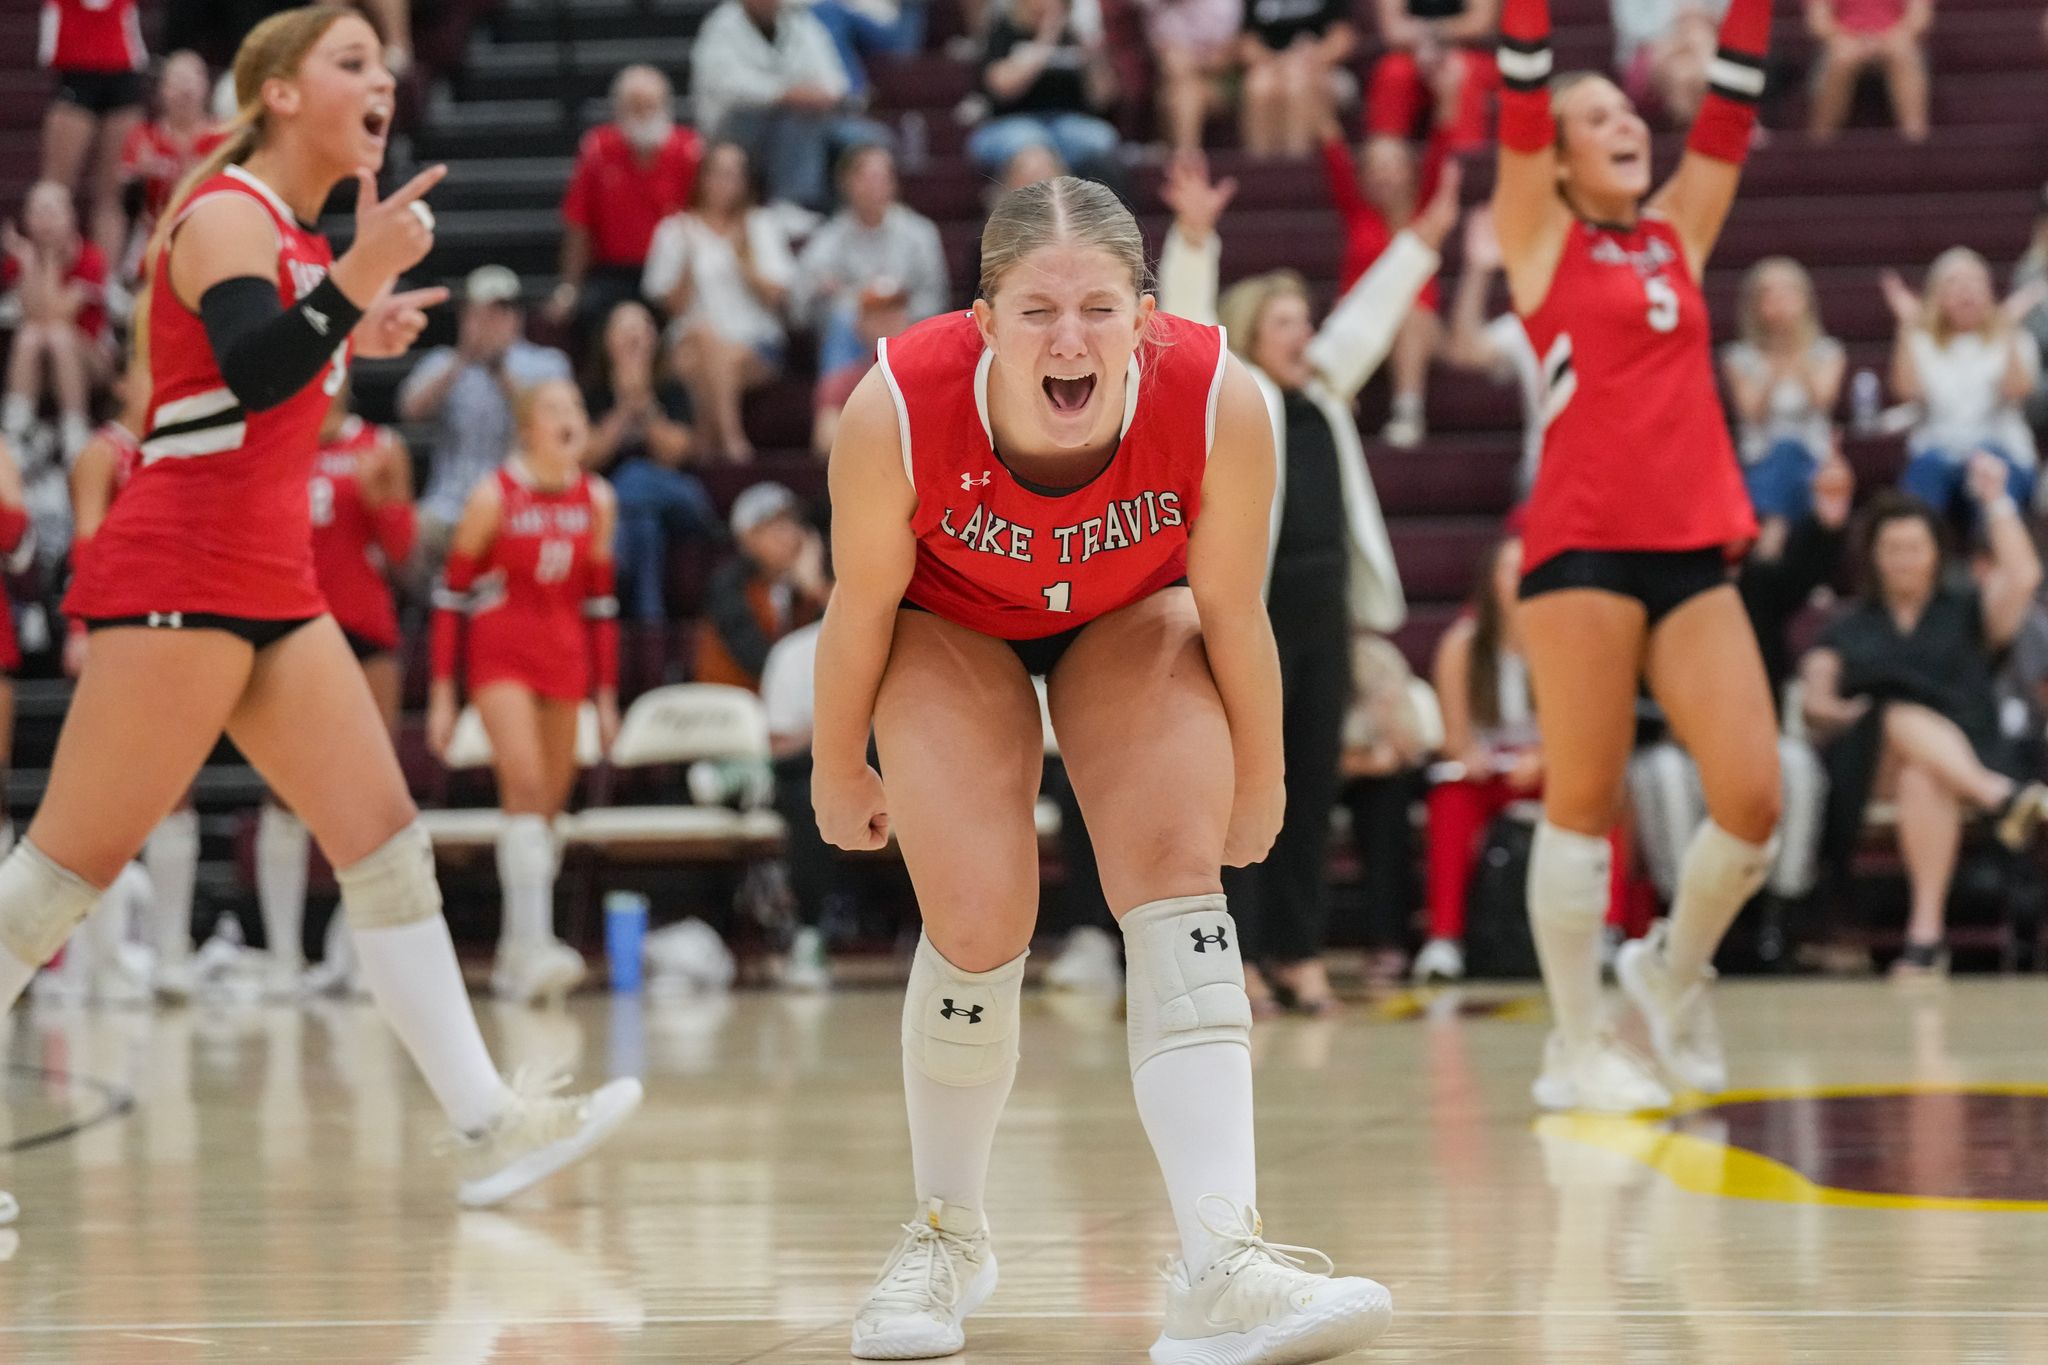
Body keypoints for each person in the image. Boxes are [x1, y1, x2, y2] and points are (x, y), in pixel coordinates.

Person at [6, 7, 640, 1228]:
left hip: (270, 582)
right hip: (181, 572)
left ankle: (486, 1121)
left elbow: (281, 367)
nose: (381, 81)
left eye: (384, 65)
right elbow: (253, 370)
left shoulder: (298, 238)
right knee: (56, 883)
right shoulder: (227, 212)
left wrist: (358, 314)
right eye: (351, 62)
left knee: (385, 845)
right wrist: (355, 282)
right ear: (282, 94)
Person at [815, 174, 1392, 1361]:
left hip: (1128, 615)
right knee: (977, 915)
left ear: (1146, 316)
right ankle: (945, 1234)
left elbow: (1234, 612)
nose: (1068, 340)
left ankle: (1219, 1262)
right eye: (1035, 311)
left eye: (1097, 310)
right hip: (948, 624)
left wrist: (1266, 779)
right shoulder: (895, 408)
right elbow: (858, 605)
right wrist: (835, 764)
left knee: (1178, 874)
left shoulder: (1220, 399)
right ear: (983, 320)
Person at [1491, 0, 1783, 1110]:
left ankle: (1670, 969)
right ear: (1560, 157)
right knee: (1584, 800)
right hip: (1580, 546)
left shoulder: (1676, 232)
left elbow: (1729, 112)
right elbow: (1520, 96)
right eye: (1597, 116)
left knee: (1752, 797)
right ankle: (1574, 1051)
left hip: (1690, 541)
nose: (1626, 125)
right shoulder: (1537, 235)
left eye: (1628, 111)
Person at [1156, 152, 1456, 1010]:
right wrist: (1195, 241)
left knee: (1311, 791)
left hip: (1324, 616)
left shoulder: (1324, 390)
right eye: (1285, 321)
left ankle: (1300, 951)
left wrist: (1421, 242)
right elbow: (1187, 327)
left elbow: (1370, 318)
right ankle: (1242, 955)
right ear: (1252, 334)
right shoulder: (1236, 390)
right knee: (1243, 785)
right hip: (1252, 613)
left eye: (1306, 320)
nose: (1305, 333)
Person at [1800, 470, 2048, 977]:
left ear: (1936, 552)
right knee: (1893, 713)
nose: (1904, 559)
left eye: (1914, 548)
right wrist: (1838, 712)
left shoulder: (1967, 610)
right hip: (1869, 761)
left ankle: (1925, 937)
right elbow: (1815, 696)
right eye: (1892, 549)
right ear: (1873, 556)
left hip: (1959, 755)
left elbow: (2023, 576)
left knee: (1922, 775)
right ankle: (2003, 799)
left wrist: (1996, 500)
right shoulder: (1845, 624)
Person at [429, 378, 622, 1005]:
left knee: (549, 810)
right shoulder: (493, 495)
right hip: (500, 655)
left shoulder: (598, 499)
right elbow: (450, 598)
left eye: (577, 407)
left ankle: (516, 953)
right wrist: (442, 692)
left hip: (565, 658)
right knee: (527, 787)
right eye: (554, 408)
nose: (570, 418)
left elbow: (601, 606)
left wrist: (607, 697)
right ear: (527, 429)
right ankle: (535, 945)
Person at [1415, 533, 1639, 983]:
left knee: (1605, 793)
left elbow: (1587, 728)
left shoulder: (1568, 642)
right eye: (1512, 571)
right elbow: (1454, 738)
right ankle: (1444, 940)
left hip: (1554, 769)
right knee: (1450, 800)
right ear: (1490, 582)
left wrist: (1546, 758)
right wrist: (1470, 756)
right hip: (1490, 775)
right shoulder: (1463, 645)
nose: (1522, 579)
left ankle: (1606, 931)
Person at [257, 386, 417, 997]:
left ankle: (359, 955)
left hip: (365, 628)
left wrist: (386, 505)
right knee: (285, 788)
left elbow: (407, 560)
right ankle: (282, 955)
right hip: (291, 626)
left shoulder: (382, 447)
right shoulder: (274, 442)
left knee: (371, 793)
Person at [66, 385, 206, 1000]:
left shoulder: (185, 448)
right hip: (119, 630)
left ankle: (171, 954)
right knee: (105, 796)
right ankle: (99, 962)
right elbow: (87, 545)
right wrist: (81, 629)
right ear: (125, 380)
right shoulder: (104, 453)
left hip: (180, 627)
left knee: (177, 789)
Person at [399, 265, 573, 566]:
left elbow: (552, 424)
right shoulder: (443, 362)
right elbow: (410, 412)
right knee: (407, 532)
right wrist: (463, 357)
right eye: (483, 314)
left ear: (517, 315)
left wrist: (500, 368)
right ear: (466, 316)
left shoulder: (546, 363)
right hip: (446, 503)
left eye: (502, 312)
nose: (494, 322)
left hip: (520, 504)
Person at [790, 145, 950, 458]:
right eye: (865, 177)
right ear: (847, 183)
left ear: (893, 183)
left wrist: (891, 313)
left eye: (881, 177)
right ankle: (834, 414)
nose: (874, 186)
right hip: (850, 337)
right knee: (842, 314)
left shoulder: (920, 233)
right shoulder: (830, 237)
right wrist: (837, 297)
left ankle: (903, 405)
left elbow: (936, 298)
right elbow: (800, 299)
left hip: (906, 333)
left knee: (888, 319)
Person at [642, 141, 797, 463]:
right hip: (688, 341)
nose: (726, 183)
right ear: (703, 177)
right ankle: (733, 444)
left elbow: (776, 296)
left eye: (734, 175)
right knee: (703, 336)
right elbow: (670, 307)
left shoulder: (760, 225)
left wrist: (745, 262)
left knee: (708, 356)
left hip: (753, 343)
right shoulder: (676, 229)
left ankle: (705, 446)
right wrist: (688, 264)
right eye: (718, 173)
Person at [547, 66, 703, 347]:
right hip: (612, 271)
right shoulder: (598, 148)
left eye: (650, 105)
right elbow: (579, 224)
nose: (643, 114)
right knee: (585, 313)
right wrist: (569, 286)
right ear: (618, 110)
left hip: (672, 270)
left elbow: (707, 215)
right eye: (634, 106)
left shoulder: (690, 150)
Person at [1883, 249, 2042, 523]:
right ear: (1936, 295)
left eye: (1975, 282)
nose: (1966, 291)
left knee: (1994, 477)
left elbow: (2018, 391)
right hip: (1938, 451)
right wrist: (1907, 327)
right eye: (1954, 282)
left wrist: (2007, 330)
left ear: (1989, 292)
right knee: (1925, 476)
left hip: (2000, 450)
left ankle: (1994, 544)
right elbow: (1906, 392)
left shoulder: (2015, 338)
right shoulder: (1920, 341)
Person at [581, 300, 715, 622]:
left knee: (633, 476)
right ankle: (650, 625)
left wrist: (644, 403)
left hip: (678, 496)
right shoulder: (593, 392)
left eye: (642, 330)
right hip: (629, 512)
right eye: (625, 330)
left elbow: (675, 453)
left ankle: (606, 583)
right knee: (643, 526)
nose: (634, 338)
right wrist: (622, 410)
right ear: (607, 340)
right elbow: (585, 459)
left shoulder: (671, 388)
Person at [688, 0, 890, 212]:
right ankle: (792, 204)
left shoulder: (800, 22)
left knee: (869, 138)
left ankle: (855, 216)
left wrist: (822, 95)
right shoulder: (721, 26)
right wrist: (785, 94)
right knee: (796, 117)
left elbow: (835, 79)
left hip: (806, 120)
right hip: (738, 128)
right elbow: (728, 85)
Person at [1319, 125, 1448, 445]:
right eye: (1376, 167)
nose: (1385, 175)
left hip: (1417, 328)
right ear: (1362, 177)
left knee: (1409, 312)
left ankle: (1408, 410)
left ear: (1411, 172)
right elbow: (1331, 149)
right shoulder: (1357, 211)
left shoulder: (1425, 210)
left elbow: (1441, 147)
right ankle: (1329, 409)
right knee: (1347, 313)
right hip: (1363, 324)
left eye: (1392, 166)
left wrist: (1446, 108)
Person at [1720, 256, 1845, 521]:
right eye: (1768, 294)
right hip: (1761, 458)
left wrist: (1796, 351)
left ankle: (1773, 529)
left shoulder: (1827, 351)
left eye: (1787, 292)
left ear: (1805, 299)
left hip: (1813, 455)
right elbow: (1752, 414)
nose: (1778, 301)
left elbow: (1822, 401)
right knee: (1783, 453)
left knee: (1793, 453)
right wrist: (1773, 363)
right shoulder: (1739, 356)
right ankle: (1780, 527)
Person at [2, 180, 113, 462]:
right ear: (26, 219)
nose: (45, 221)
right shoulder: (22, 260)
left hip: (91, 361)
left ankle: (74, 431)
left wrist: (49, 261)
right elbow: (33, 315)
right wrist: (30, 263)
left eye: (52, 212)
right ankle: (17, 428)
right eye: (38, 212)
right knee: (30, 335)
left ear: (70, 217)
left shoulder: (90, 257)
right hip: (43, 363)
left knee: (57, 334)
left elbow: (56, 314)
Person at [1441, 204, 1545, 490]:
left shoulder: (1619, 314)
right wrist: (1478, 269)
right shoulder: (1527, 324)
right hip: (1544, 475)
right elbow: (1464, 350)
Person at [39, 0, 149, 268]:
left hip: (122, 81)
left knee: (111, 196)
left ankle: (105, 277)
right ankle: (49, 271)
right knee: (55, 192)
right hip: (78, 79)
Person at [694, 482, 832, 689]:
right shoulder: (729, 586)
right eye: (775, 526)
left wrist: (816, 588)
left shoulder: (805, 588)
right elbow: (759, 660)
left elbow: (834, 647)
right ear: (747, 538)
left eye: (792, 522)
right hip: (731, 700)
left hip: (788, 699)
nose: (788, 535)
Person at [967, 0, 1124, 181]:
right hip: (1010, 122)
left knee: (1102, 139)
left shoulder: (1074, 35)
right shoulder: (1005, 30)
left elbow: (1102, 98)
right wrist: (1045, 39)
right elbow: (1001, 88)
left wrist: (1095, 57)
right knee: (1035, 154)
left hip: (1066, 122)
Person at [118, 51, 226, 282]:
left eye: (191, 81)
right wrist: (139, 175)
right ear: (162, 90)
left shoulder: (223, 138)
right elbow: (124, 199)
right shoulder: (144, 137)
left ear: (206, 87)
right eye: (176, 82)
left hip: (210, 237)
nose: (185, 90)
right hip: (154, 235)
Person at [1366, 0, 1500, 154]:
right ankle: (1387, 158)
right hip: (1411, 51)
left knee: (1458, 72)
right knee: (1393, 72)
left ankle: (1462, 160)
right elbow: (1394, 30)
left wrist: (1436, 37)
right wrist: (1425, 47)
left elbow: (1480, 23)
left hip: (1468, 52)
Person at [1238, 0, 1358, 157]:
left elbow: (1342, 38)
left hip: (1324, 67)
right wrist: (1278, 62)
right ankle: (1260, 163)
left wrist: (1313, 59)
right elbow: (1248, 43)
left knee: (1297, 84)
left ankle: (1296, 160)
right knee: (1258, 85)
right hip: (1273, 65)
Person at [1805, 0, 1931, 143]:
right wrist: (1848, 40)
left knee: (1904, 54)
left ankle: (1915, 141)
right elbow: (1818, 22)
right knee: (1841, 58)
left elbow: (1920, 18)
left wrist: (1884, 40)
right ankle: (1821, 142)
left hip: (1895, 39)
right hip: (1843, 42)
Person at [1142, 0, 1247, 157]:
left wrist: (1199, 63)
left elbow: (1234, 51)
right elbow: (1169, 60)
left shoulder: (1224, 5)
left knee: (1184, 90)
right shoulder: (1157, 8)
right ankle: (1187, 160)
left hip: (1225, 80)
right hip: (1176, 83)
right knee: (1182, 92)